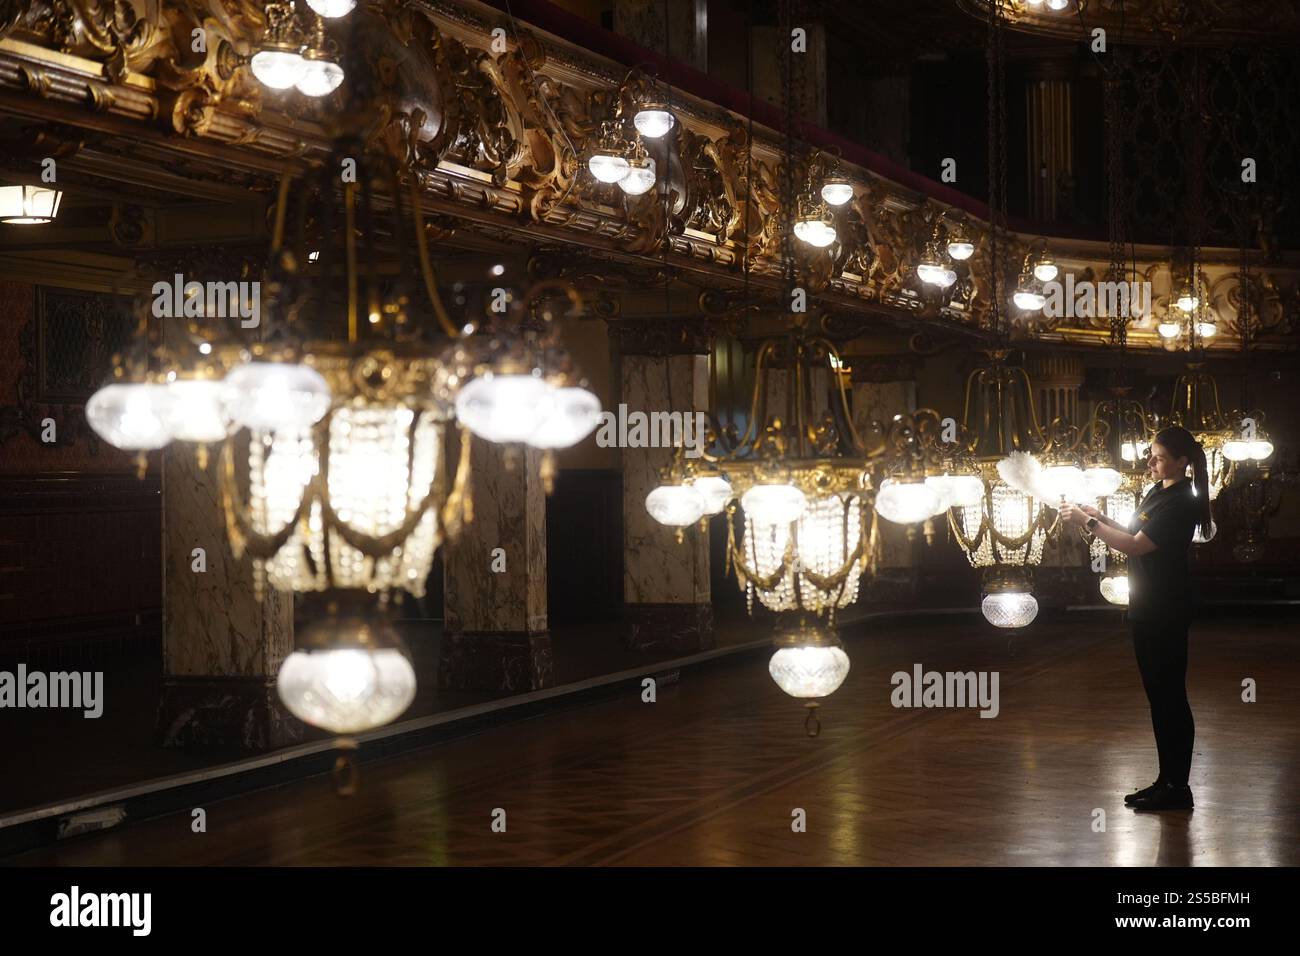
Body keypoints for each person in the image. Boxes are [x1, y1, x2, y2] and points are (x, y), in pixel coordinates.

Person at [1060, 426, 1212, 812]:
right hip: (1147, 607)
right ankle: (1166, 781)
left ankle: (1179, 787)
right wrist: (1101, 515)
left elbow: (1136, 545)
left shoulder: (1182, 501)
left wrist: (1087, 523)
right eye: (1151, 455)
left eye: (1158, 457)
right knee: (1157, 698)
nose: (1150, 462)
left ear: (1181, 462)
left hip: (1166, 608)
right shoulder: (1159, 492)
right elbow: (1134, 528)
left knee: (1170, 697)